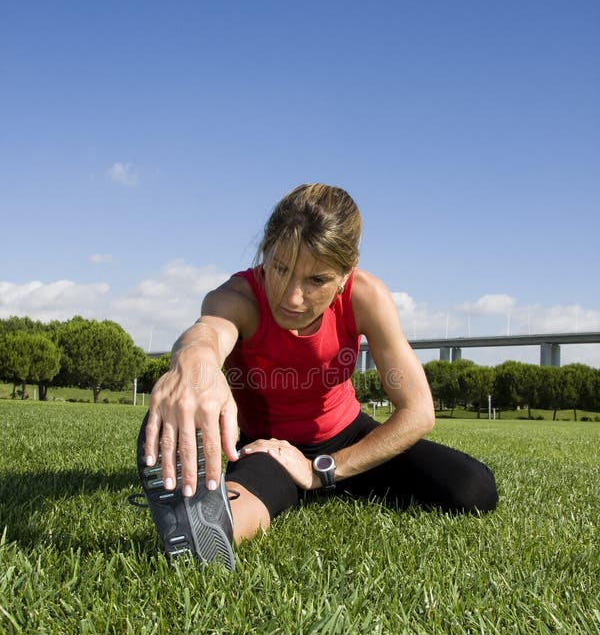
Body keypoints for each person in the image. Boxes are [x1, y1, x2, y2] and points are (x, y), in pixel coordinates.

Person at [140, 183, 498, 558]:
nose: (292, 297)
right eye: (280, 267)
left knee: (473, 488)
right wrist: (193, 360)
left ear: (347, 271)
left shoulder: (366, 297)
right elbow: (209, 331)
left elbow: (418, 411)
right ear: (266, 252)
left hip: (350, 438)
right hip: (271, 448)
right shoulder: (240, 297)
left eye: (317, 280)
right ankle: (199, 512)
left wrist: (320, 470)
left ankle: (327, 482)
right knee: (223, 527)